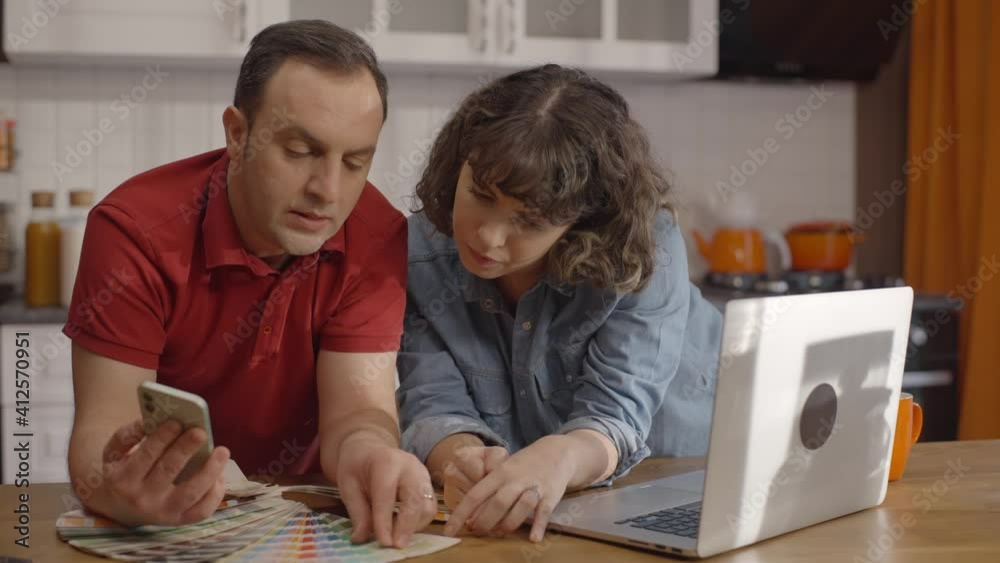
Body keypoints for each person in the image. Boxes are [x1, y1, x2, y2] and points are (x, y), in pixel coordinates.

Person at [65, 20, 436, 547]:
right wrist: (120, 488)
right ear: (238, 134)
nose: (327, 191)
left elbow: (357, 410)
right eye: (301, 151)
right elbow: (102, 433)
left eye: (355, 162)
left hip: (306, 521)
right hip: (166, 529)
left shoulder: (376, 238)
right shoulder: (135, 231)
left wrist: (374, 454)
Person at [396, 64, 723, 543]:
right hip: (551, 506)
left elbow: (617, 412)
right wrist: (458, 455)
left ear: (583, 222)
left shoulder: (643, 247)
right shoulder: (419, 252)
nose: (488, 237)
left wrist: (563, 455)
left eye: (529, 221)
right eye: (480, 195)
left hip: (681, 479)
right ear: (457, 165)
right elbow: (431, 400)